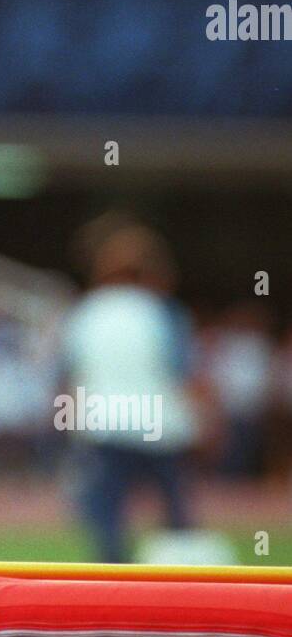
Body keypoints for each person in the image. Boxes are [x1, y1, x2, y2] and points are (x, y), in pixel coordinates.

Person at [59, 217, 202, 563]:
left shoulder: (85, 313)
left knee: (107, 519)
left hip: (104, 425)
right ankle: (187, 592)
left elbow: (70, 377)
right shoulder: (163, 313)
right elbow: (183, 373)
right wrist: (202, 423)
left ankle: (111, 595)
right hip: (159, 425)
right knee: (177, 518)